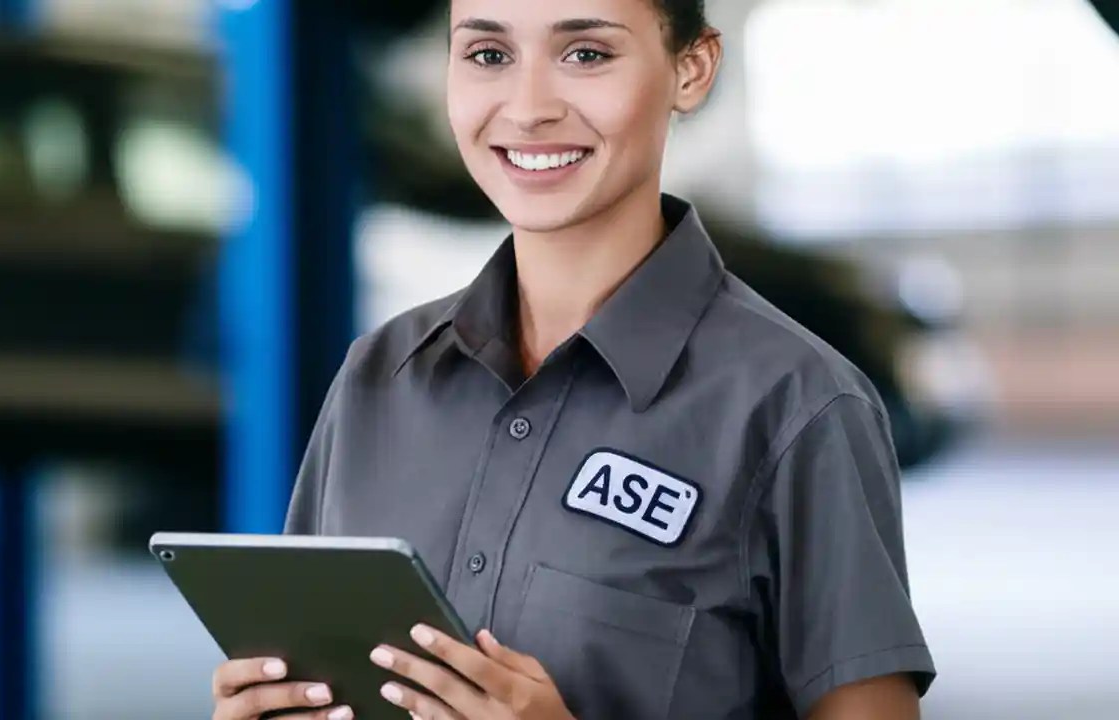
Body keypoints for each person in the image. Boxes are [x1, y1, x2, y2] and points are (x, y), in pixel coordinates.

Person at [210, 0, 935, 718]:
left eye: (586, 54)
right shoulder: (380, 376)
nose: (527, 109)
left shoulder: (796, 406)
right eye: (489, 55)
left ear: (692, 68)